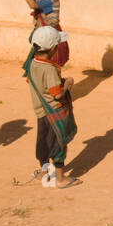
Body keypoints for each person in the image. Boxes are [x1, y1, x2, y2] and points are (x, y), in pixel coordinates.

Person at [25, 25, 78, 188]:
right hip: (54, 111)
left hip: (41, 111)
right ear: (54, 48)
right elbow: (57, 94)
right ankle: (60, 179)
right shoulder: (49, 69)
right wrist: (68, 83)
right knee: (58, 143)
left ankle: (43, 169)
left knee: (44, 141)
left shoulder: (32, 63)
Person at [16, 0, 69, 68]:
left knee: (51, 61)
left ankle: (55, 82)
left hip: (50, 33)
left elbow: (33, 5)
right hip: (43, 32)